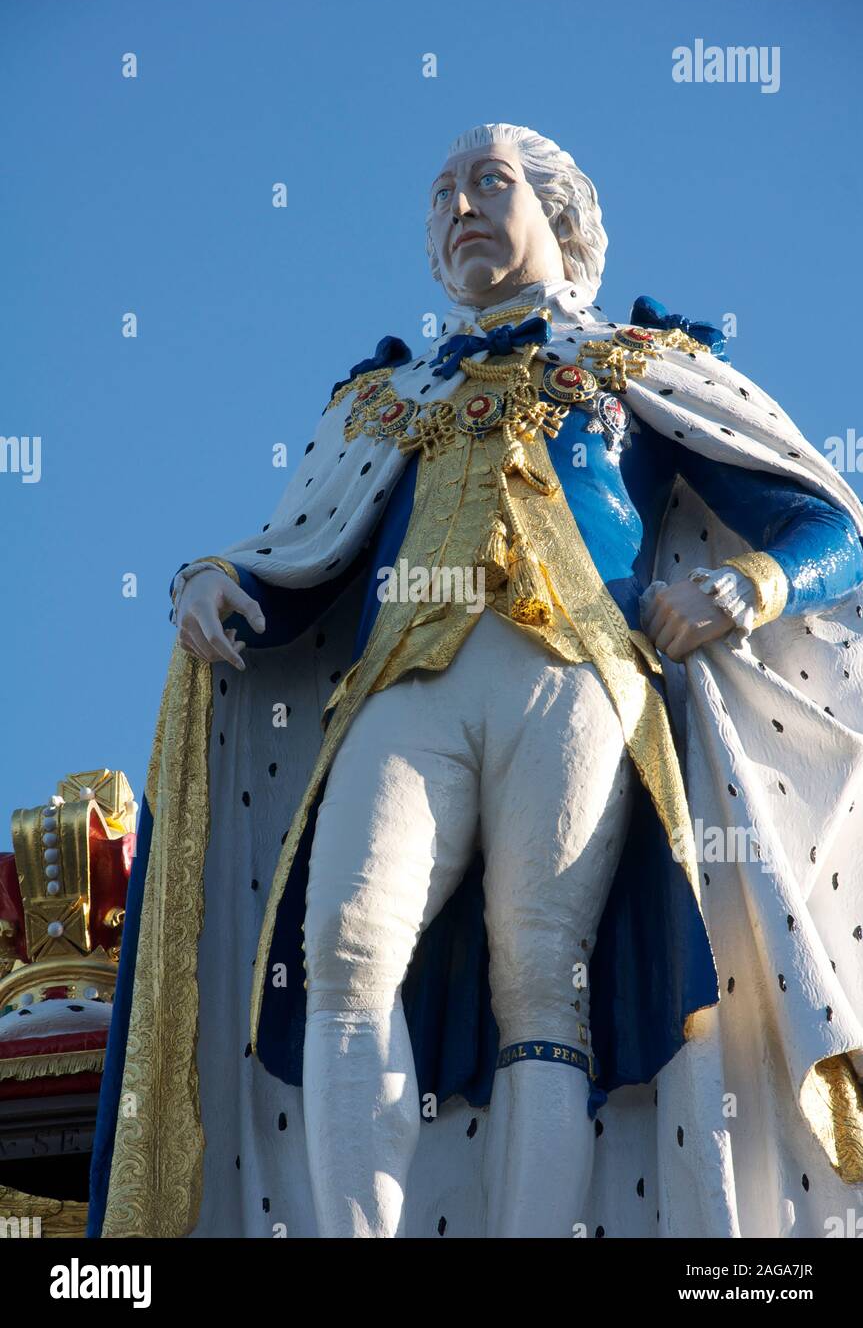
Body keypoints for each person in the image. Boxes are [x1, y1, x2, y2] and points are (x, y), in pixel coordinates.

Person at [89, 124, 863, 1239]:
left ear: (561, 215)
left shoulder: (636, 363)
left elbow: (821, 521)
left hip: (578, 677)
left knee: (542, 980)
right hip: (404, 686)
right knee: (344, 948)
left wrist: (743, 589)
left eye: (488, 182)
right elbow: (304, 553)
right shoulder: (383, 401)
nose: (459, 206)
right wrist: (213, 577)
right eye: (442, 192)